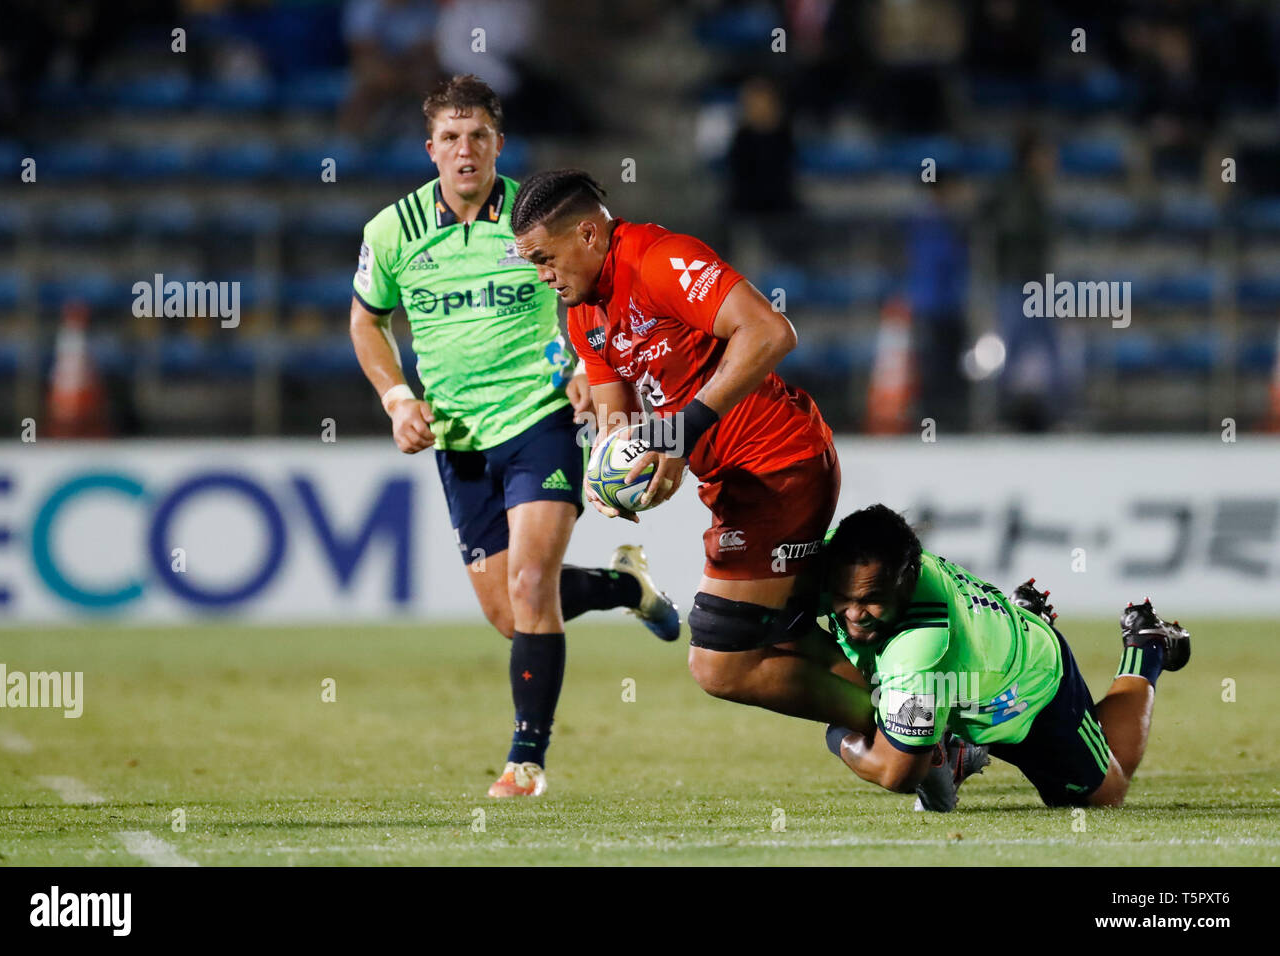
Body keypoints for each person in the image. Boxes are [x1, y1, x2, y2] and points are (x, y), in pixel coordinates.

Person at [348, 76, 678, 799]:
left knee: (531, 586)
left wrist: (592, 367)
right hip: (459, 440)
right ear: (429, 149)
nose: (465, 150)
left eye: (479, 136)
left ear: (499, 143)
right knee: (510, 614)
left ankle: (526, 762)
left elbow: (598, 286)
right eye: (450, 138)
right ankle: (628, 585)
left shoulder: (541, 217)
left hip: (540, 421)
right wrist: (398, 397)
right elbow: (365, 320)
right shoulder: (391, 232)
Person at [511, 169, 875, 732]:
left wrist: (682, 432)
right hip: (733, 484)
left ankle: (909, 732)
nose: (541, 276)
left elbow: (770, 332)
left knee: (719, 663)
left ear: (587, 234)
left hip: (777, 462)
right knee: (780, 634)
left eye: (543, 258)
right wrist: (607, 470)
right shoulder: (586, 311)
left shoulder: (659, 260)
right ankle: (921, 716)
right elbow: (619, 421)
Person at [819, 504, 1191, 809]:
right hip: (971, 666)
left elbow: (898, 773)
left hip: (1026, 687)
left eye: (872, 600)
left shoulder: (921, 647)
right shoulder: (841, 557)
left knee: (1104, 794)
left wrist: (838, 735)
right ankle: (954, 735)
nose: (853, 613)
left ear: (907, 579)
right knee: (905, 700)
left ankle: (1147, 645)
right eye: (844, 597)